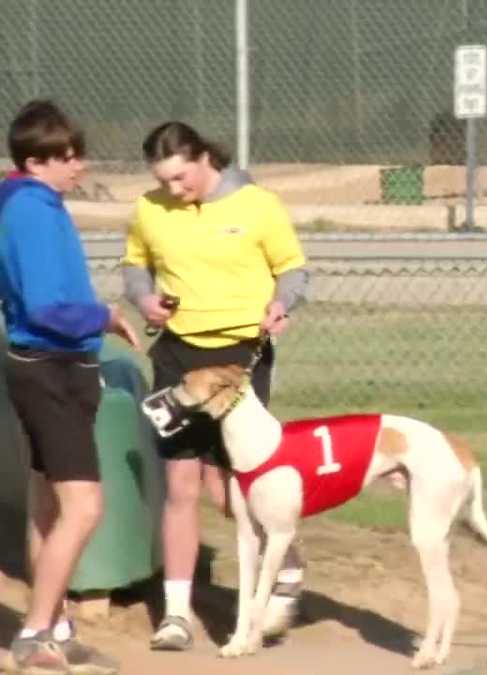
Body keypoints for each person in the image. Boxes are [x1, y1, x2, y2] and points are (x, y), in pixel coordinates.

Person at [121, 121, 308, 650]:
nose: (173, 190)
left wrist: (282, 305)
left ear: (204, 158)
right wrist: (144, 299)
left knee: (230, 487)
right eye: (164, 180)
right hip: (179, 354)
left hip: (239, 357)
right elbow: (136, 265)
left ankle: (285, 567)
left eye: (180, 178)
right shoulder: (149, 208)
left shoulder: (259, 205)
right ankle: (176, 615)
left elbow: (293, 270)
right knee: (180, 482)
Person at [0, 99, 138, 674]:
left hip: (53, 363)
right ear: (36, 162)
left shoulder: (35, 202)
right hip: (50, 366)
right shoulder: (30, 209)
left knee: (50, 505)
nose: (79, 164)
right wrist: (102, 317)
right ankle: (34, 636)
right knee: (84, 507)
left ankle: (53, 626)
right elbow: (48, 304)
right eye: (67, 156)